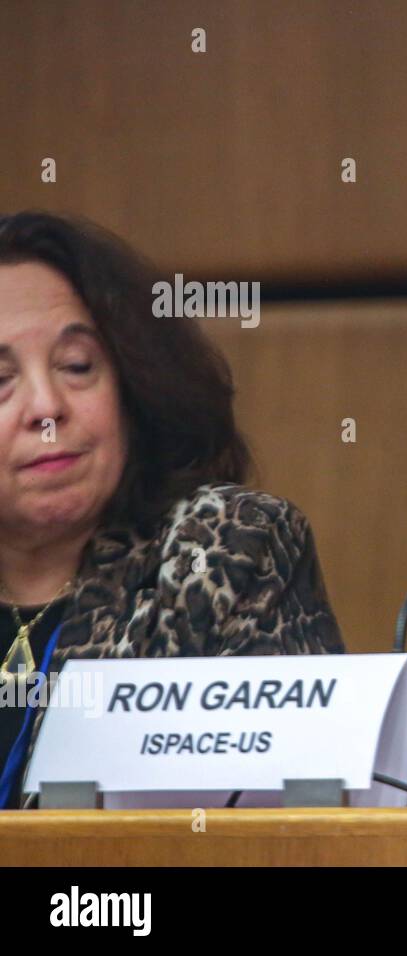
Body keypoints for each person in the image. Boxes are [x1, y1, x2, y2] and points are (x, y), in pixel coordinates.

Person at [0, 211, 344, 808]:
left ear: (131, 383)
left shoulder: (224, 552)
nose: (47, 407)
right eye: (1, 380)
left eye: (78, 366)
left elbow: (281, 840)